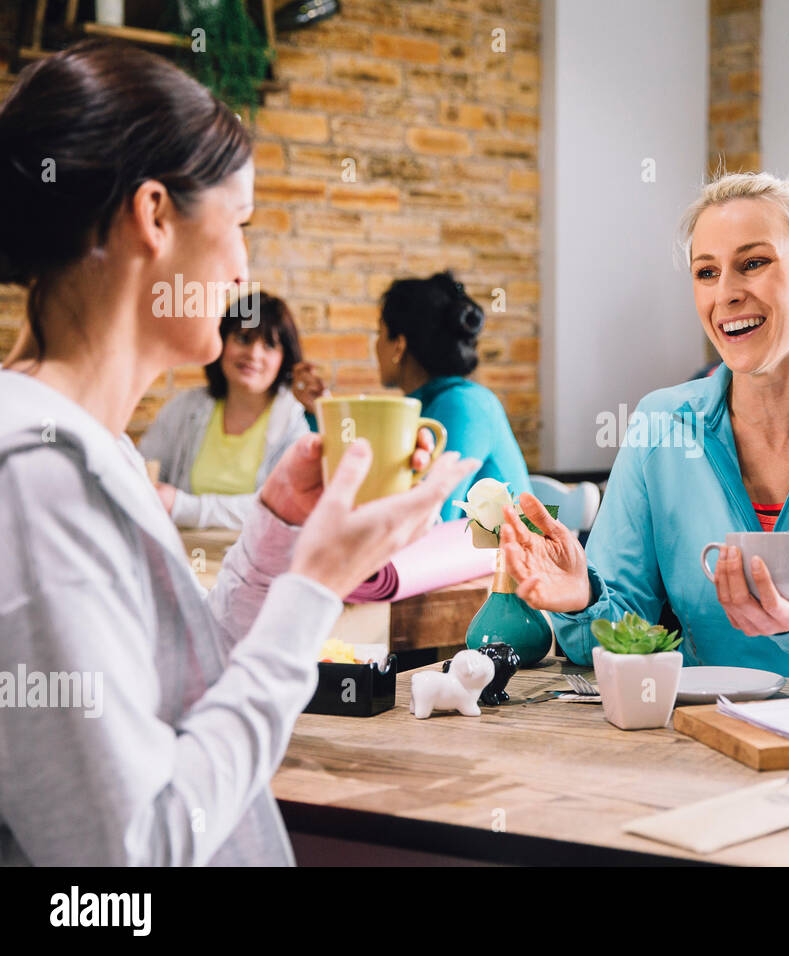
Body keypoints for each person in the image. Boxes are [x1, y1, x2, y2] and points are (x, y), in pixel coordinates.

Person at [0, 40, 478, 866]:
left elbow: (191, 690)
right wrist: (315, 587)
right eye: (240, 224)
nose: (243, 267)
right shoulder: (34, 477)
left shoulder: (96, 446)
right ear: (154, 216)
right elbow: (131, 856)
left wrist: (276, 536)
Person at [496, 172, 789, 686]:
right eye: (706, 272)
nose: (726, 294)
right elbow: (610, 639)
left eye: (753, 264)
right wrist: (582, 598)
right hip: (699, 740)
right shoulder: (660, 427)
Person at [292, 271, 531, 522]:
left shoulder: (463, 405)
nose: (377, 345)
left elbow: (427, 519)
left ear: (398, 345)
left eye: (380, 333)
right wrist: (318, 410)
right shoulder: (430, 405)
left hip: (509, 559)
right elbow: (375, 483)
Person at [139, 291, 308, 529]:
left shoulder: (294, 421)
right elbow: (143, 475)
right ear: (221, 341)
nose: (253, 355)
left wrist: (183, 507)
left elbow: (281, 507)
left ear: (284, 359)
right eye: (243, 339)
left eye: (269, 345)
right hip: (181, 556)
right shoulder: (184, 408)